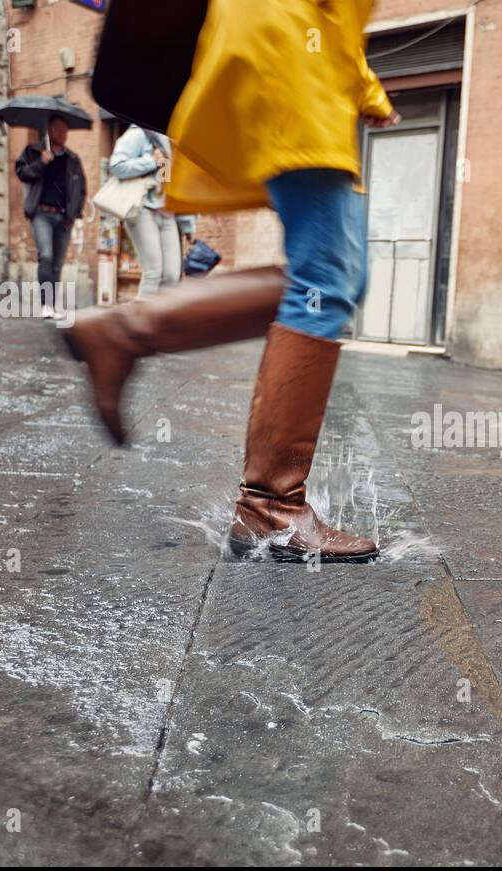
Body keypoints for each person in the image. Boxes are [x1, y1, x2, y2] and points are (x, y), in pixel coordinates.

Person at [64, 0, 400, 563]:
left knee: (331, 278)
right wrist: (365, 88)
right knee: (327, 277)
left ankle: (125, 330)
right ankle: (269, 506)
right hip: (289, 52)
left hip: (289, 51)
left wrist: (367, 90)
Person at [109, 124, 197, 296]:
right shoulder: (140, 133)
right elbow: (116, 165)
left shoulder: (176, 139)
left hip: (168, 213)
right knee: (153, 273)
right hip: (143, 210)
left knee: (171, 276)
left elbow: (180, 185)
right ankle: (144, 321)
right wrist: (150, 161)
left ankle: (162, 319)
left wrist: (188, 224)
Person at [15, 115, 86, 319]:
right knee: (45, 256)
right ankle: (46, 305)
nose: (63, 134)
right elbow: (22, 173)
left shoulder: (73, 159)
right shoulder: (33, 151)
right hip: (41, 213)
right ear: (49, 130)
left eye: (66, 131)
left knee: (57, 263)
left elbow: (80, 189)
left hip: (64, 217)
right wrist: (41, 163)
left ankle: (53, 305)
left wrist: (74, 214)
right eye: (58, 130)